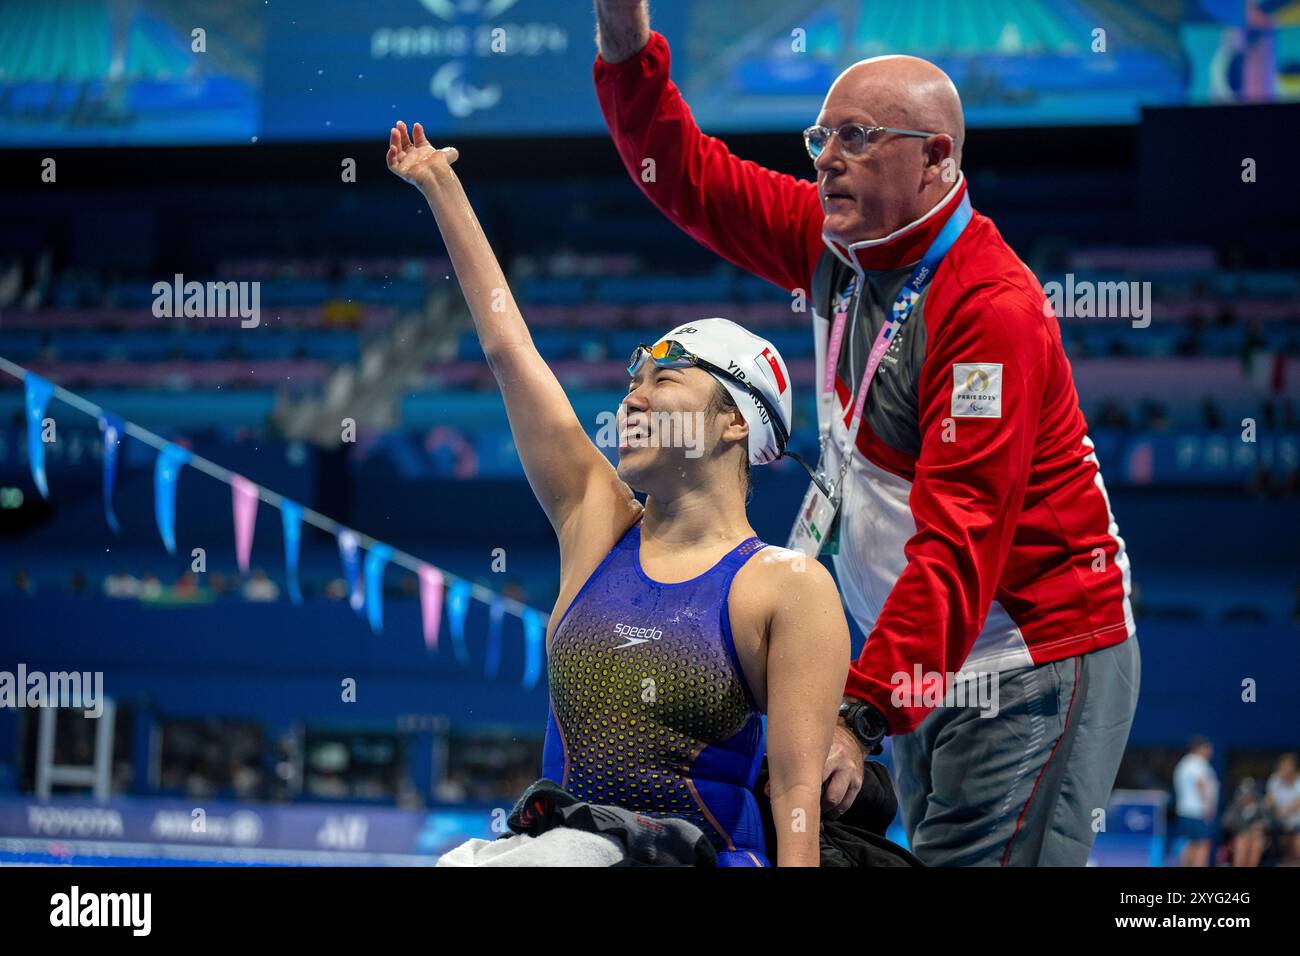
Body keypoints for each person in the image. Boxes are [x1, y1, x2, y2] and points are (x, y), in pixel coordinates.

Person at [591, 0, 1142, 866]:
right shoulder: (838, 245)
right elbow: (686, 178)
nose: (826, 161)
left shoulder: (990, 310)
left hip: (1026, 654)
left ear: (936, 158)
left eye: (855, 137)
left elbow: (961, 539)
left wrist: (858, 713)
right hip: (919, 657)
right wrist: (626, 47)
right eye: (818, 140)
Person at [386, 120, 849, 866]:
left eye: (663, 381)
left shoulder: (786, 587)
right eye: (631, 382)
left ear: (735, 422)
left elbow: (796, 794)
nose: (631, 401)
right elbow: (509, 351)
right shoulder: (595, 524)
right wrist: (442, 187)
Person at [1173, 736, 1219, 867]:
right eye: (1209, 747)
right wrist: (1208, 806)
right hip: (1197, 811)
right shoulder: (1197, 763)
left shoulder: (1185, 763)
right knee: (1203, 845)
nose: (1211, 751)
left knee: (1191, 844)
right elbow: (1200, 784)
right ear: (1199, 748)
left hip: (1186, 811)